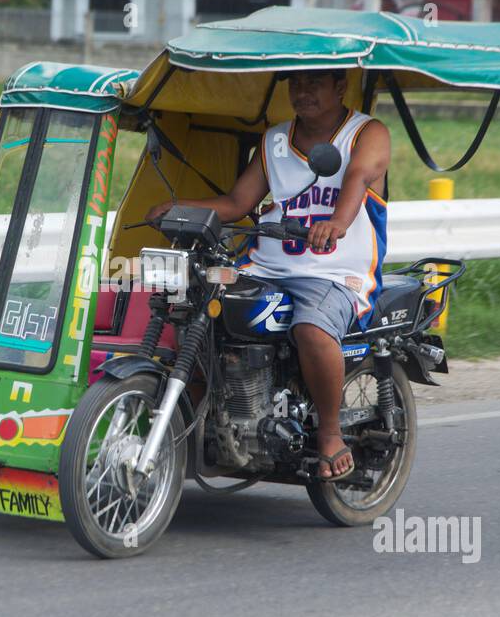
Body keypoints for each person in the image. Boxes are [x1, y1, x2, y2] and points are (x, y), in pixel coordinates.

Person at [145, 68, 390, 482]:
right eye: (295, 82)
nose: (303, 90)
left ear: (340, 86)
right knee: (193, 306)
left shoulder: (367, 132)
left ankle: (330, 433)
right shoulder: (274, 140)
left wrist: (337, 224)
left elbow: (357, 178)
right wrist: (178, 209)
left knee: (312, 329)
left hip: (334, 270)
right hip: (267, 266)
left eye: (314, 82)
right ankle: (206, 419)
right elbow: (238, 201)